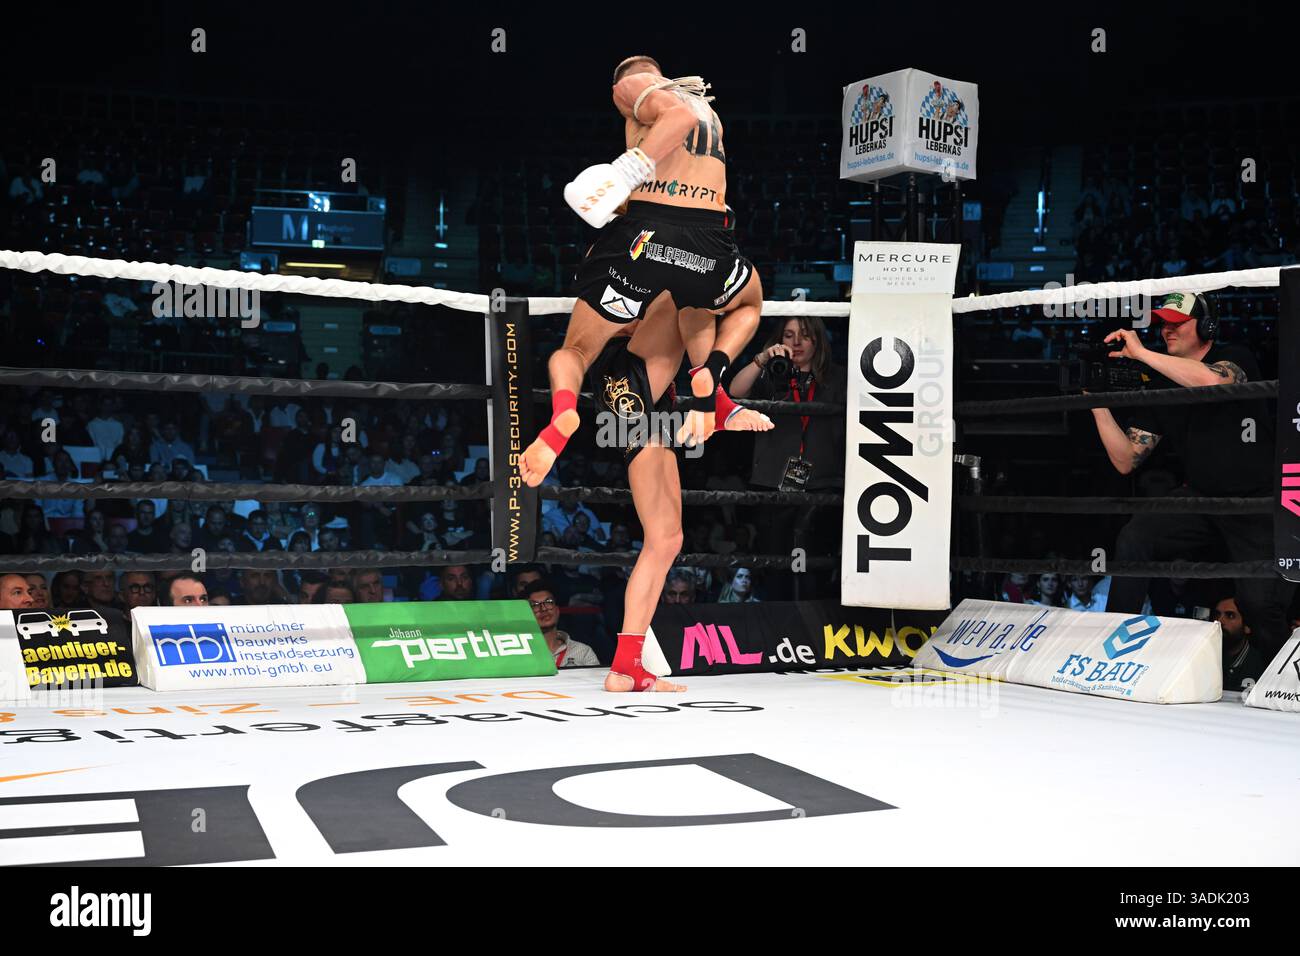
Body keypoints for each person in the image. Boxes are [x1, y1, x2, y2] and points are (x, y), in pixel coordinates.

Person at [520, 54, 769, 488]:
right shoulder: (707, 108)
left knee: (576, 350)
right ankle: (711, 381)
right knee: (737, 302)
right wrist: (621, 192)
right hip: (709, 240)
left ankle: (562, 414)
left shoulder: (634, 88)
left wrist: (622, 173)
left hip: (648, 236)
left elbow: (673, 121)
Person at [1095, 292, 1294, 660]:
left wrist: (1141, 354)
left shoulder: (1236, 357)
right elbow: (1127, 459)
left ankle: (1283, 679)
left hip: (1256, 501)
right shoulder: (1161, 383)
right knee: (1136, 537)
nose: (1167, 330)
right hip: (1201, 497)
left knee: (1258, 605)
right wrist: (1095, 403)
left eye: (1177, 322)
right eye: (1163, 323)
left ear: (1206, 326)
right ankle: (1114, 648)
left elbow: (1212, 383)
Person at [730, 314, 846, 598]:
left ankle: (814, 628)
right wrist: (761, 359)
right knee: (776, 562)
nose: (796, 342)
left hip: (823, 481)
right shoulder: (772, 373)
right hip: (774, 482)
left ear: (818, 340)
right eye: (789, 335)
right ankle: (779, 629)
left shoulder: (838, 377)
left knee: (815, 564)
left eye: (805, 335)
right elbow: (734, 392)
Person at [524, 581, 600, 668]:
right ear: (526, 614)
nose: (543, 609)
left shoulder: (583, 652)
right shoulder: (519, 653)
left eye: (548, 602)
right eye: (535, 605)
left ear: (557, 610)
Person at [1214, 595, 1267, 692]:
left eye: (1230, 616)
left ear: (1247, 627)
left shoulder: (1261, 666)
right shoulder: (1205, 655)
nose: (1219, 621)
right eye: (1217, 615)